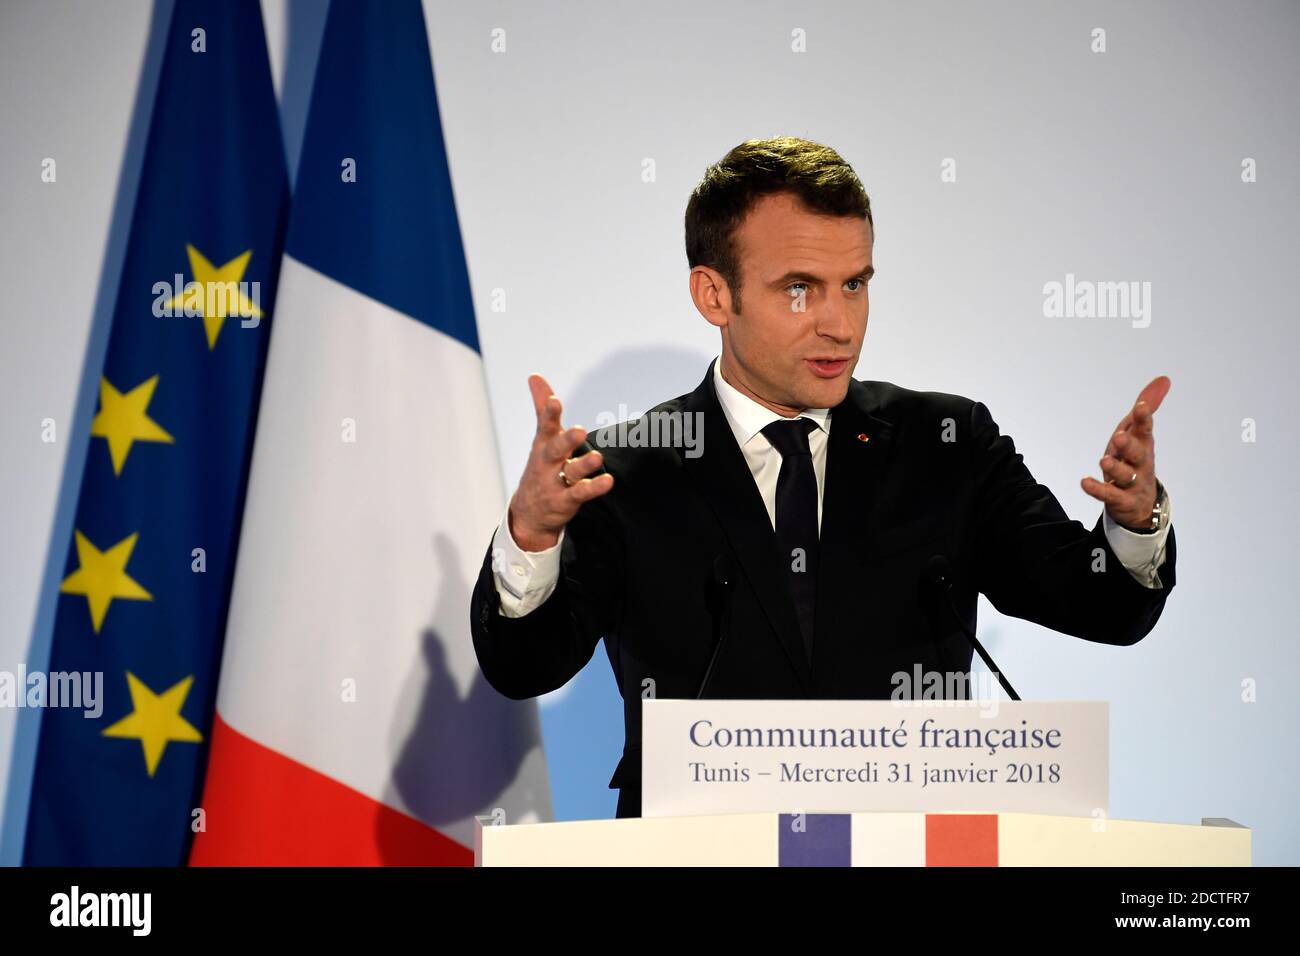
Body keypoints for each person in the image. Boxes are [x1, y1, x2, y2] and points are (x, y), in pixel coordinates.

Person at [469, 136, 1176, 818]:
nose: (839, 323)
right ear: (715, 296)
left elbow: (1103, 606)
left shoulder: (947, 443)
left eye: (856, 284)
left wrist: (1132, 523)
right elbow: (524, 666)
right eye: (801, 290)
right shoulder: (625, 473)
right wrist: (531, 537)